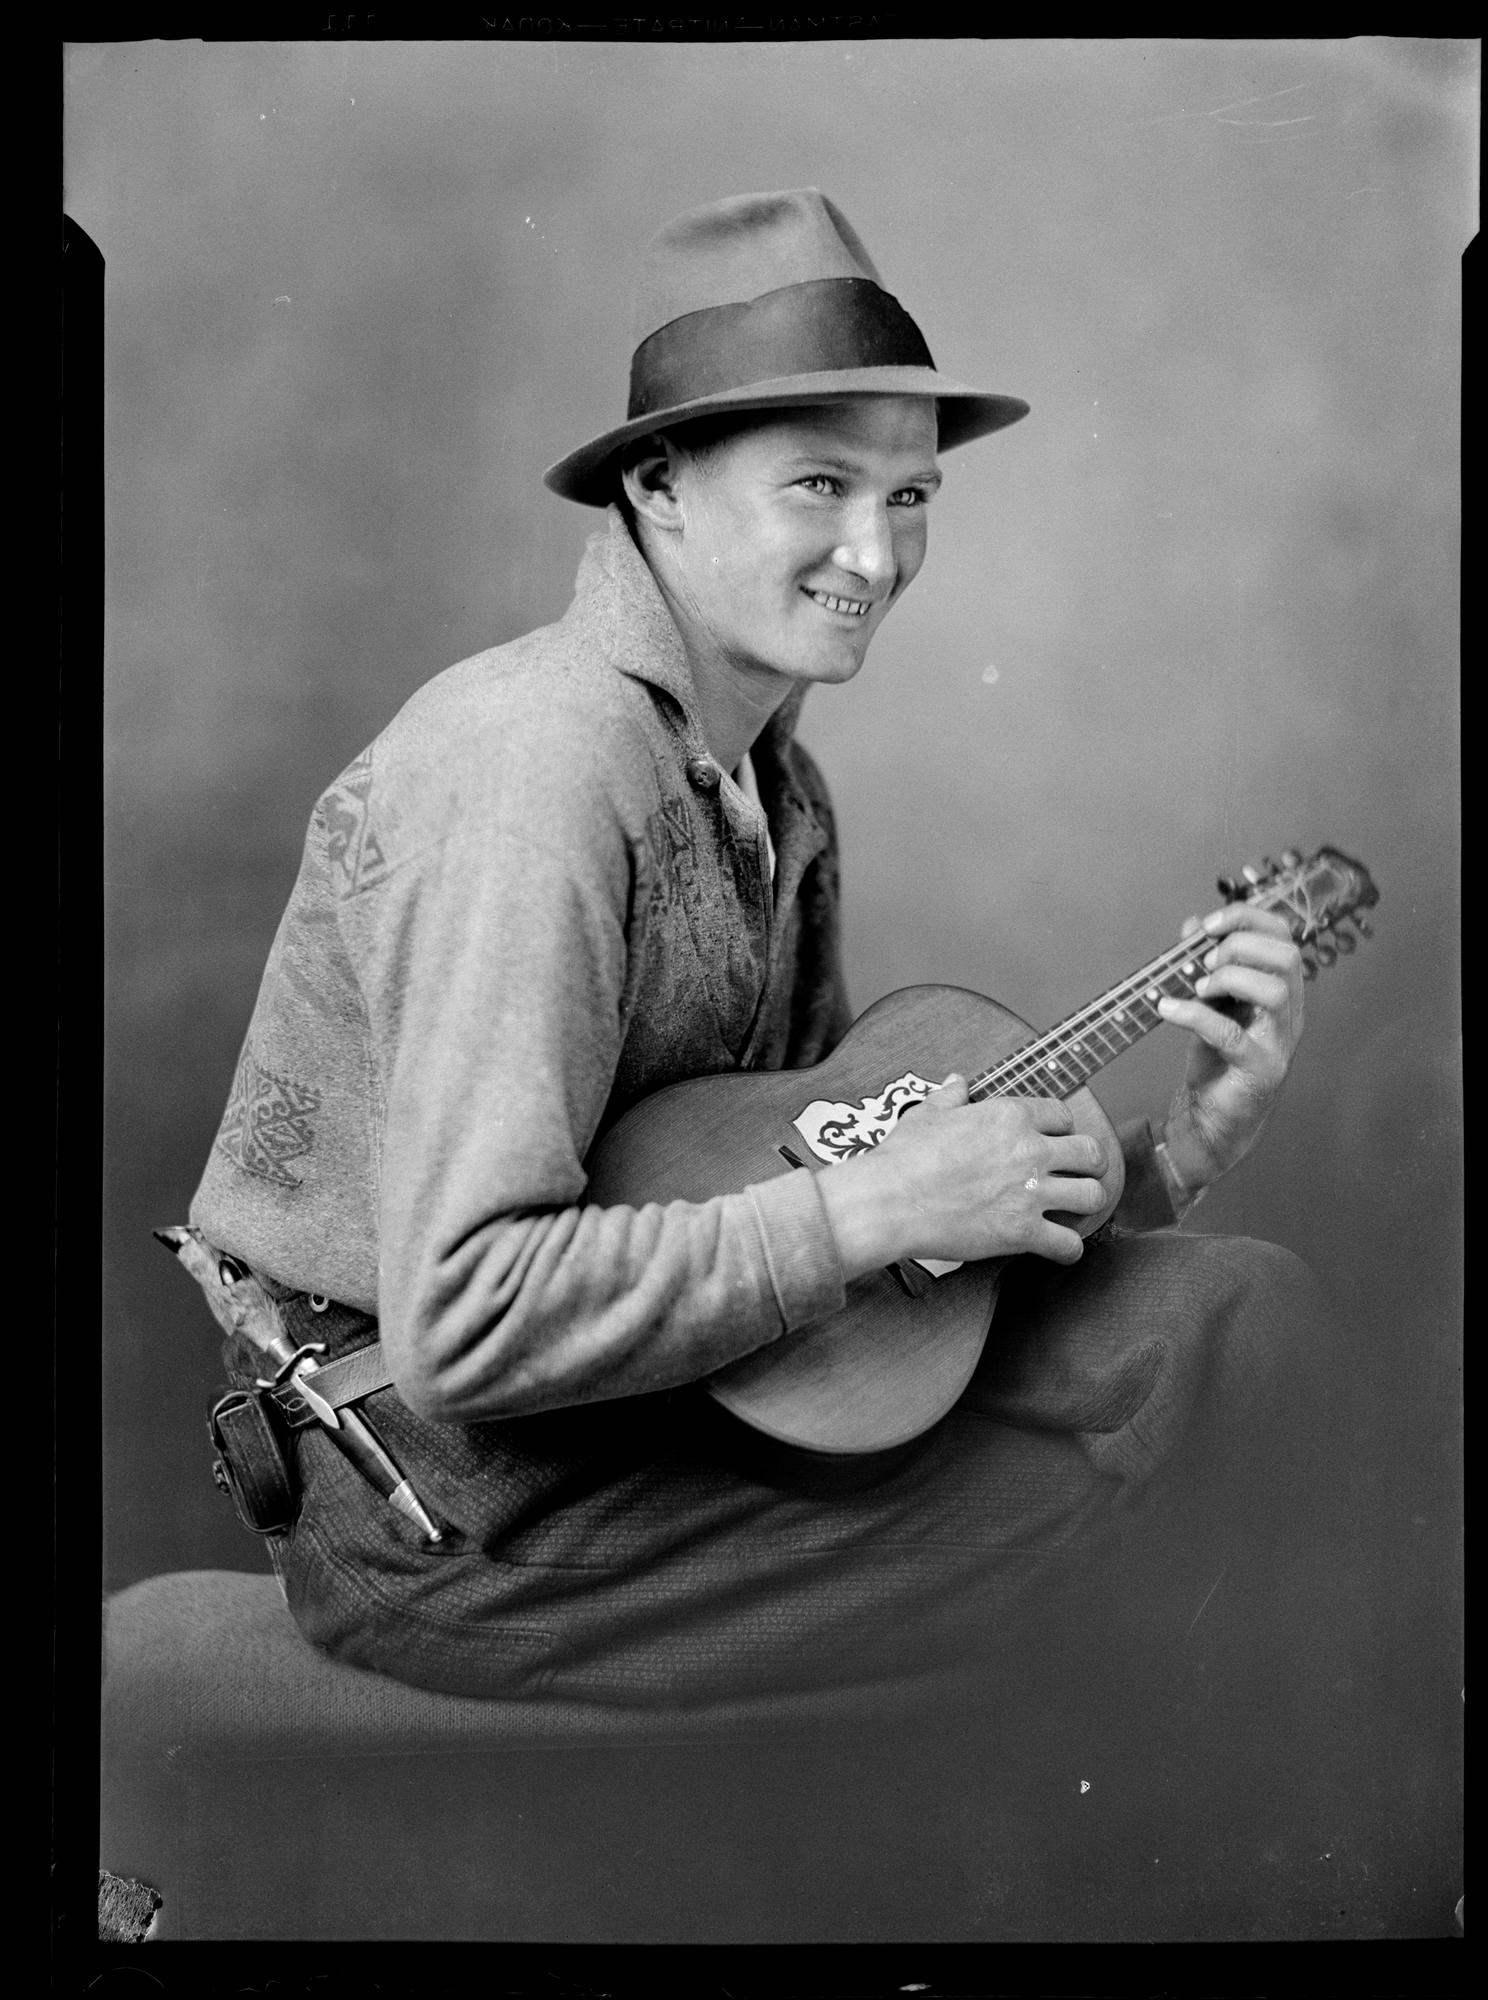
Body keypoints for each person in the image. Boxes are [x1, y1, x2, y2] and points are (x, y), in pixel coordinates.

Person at [181, 189, 1334, 1718]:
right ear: (658, 487)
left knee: (1240, 1315)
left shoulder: (776, 779)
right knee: (1162, 1527)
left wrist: (1170, 1152)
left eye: (913, 495)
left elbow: (832, 1236)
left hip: (668, 1398)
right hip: (459, 1500)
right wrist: (876, 1204)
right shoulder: (536, 771)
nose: (878, 550)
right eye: (820, 484)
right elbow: (467, 1322)